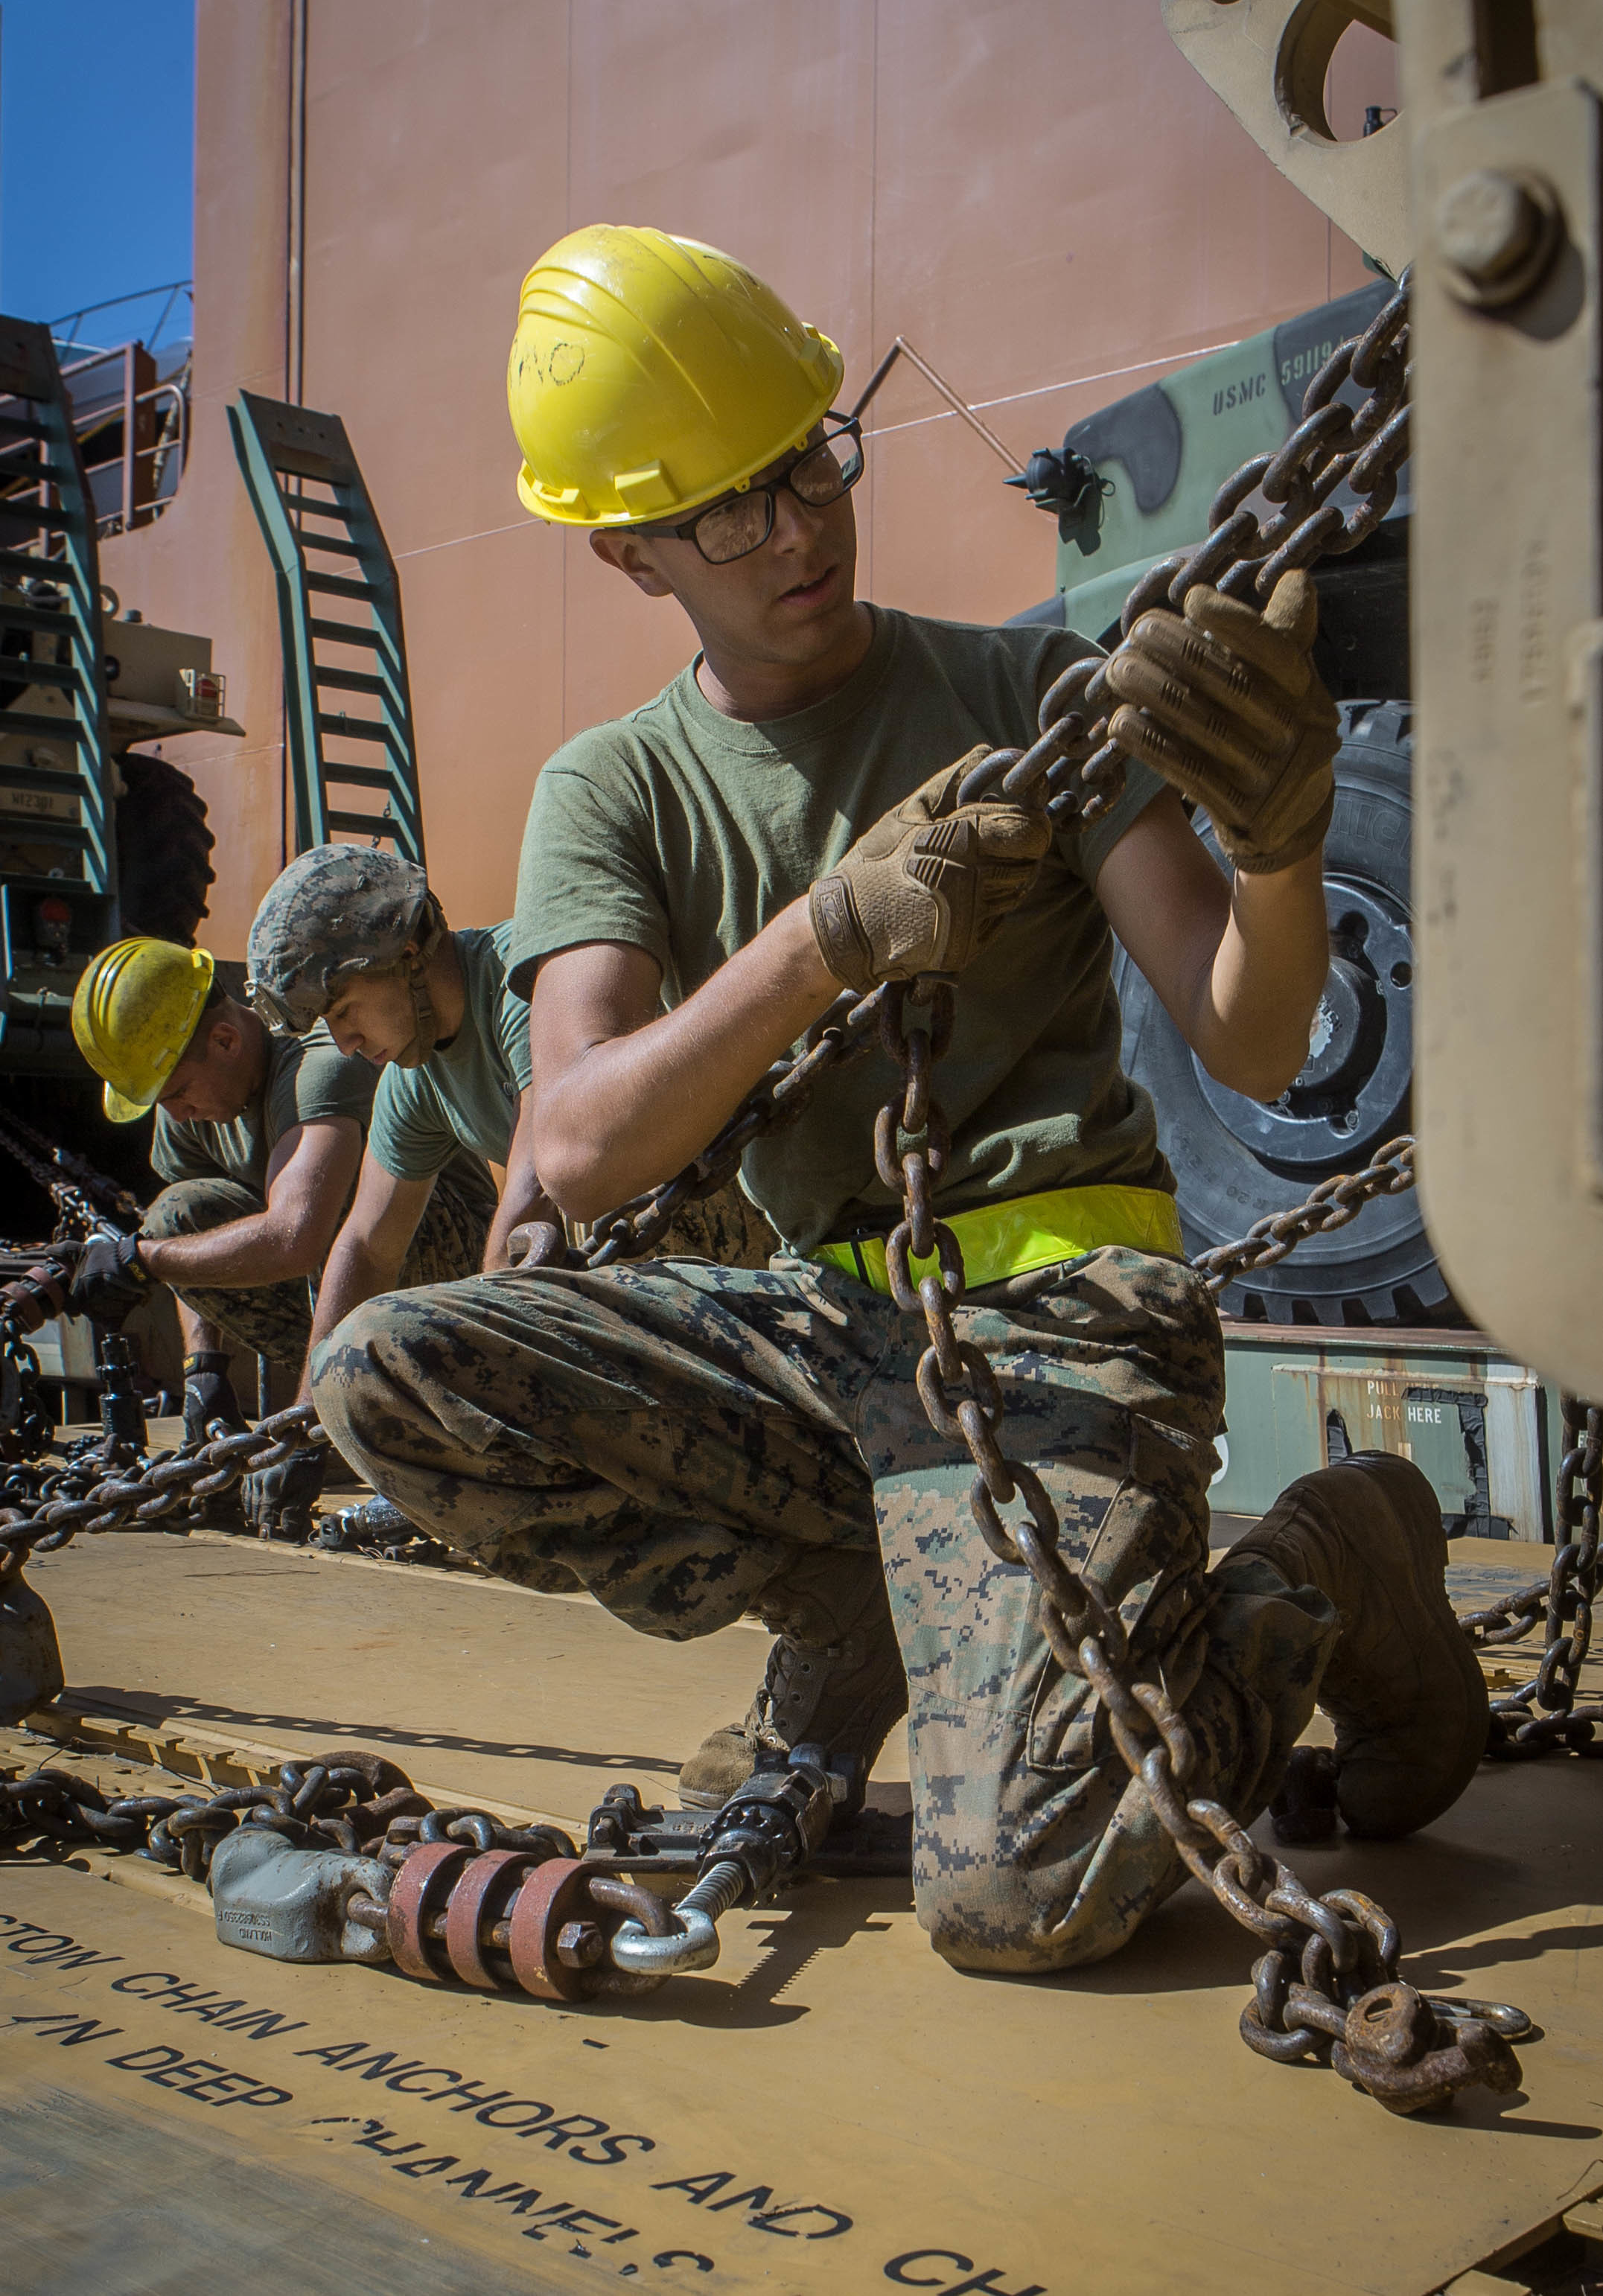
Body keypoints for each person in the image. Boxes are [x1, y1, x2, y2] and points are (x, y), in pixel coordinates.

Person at [310, 228, 1487, 1976]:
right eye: (723, 507)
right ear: (626, 551)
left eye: (802, 460)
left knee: (1018, 1899)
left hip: (1061, 1316)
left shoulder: (1023, 698)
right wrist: (827, 933)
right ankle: (854, 1597)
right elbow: (572, 1138)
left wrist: (1285, 844)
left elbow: (1249, 1042)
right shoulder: (614, 789)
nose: (794, 526)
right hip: (815, 1339)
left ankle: (1334, 1557)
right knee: (386, 1375)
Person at [70, 934, 495, 1531]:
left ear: (225, 1040)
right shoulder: (192, 1105)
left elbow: (299, 1233)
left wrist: (301, 1425)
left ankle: (343, 1405)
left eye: (177, 1094)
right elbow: (186, 1235)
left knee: (326, 1191)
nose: (175, 1114)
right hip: (335, 1284)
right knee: (176, 1214)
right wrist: (204, 1370)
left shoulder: (318, 1065)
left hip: (444, 1270)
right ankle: (338, 1393)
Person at [244, 844, 556, 1391]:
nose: (344, 1044)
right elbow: (366, 1246)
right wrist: (310, 1417)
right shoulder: (414, 1078)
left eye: (343, 1011)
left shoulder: (526, 977)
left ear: (408, 951)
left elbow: (539, 1180)